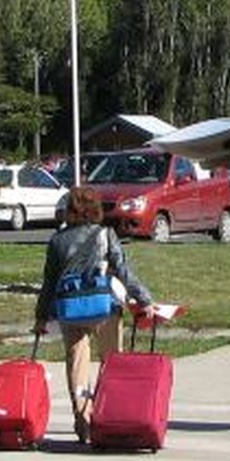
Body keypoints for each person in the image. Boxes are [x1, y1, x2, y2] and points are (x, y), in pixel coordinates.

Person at [34, 186, 158, 443]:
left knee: (77, 364)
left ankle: (83, 420)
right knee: (112, 362)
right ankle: (111, 416)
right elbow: (123, 271)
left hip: (70, 309)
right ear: (95, 210)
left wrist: (41, 317)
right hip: (104, 307)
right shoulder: (106, 234)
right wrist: (144, 299)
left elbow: (49, 282)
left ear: (69, 211)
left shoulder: (57, 241)